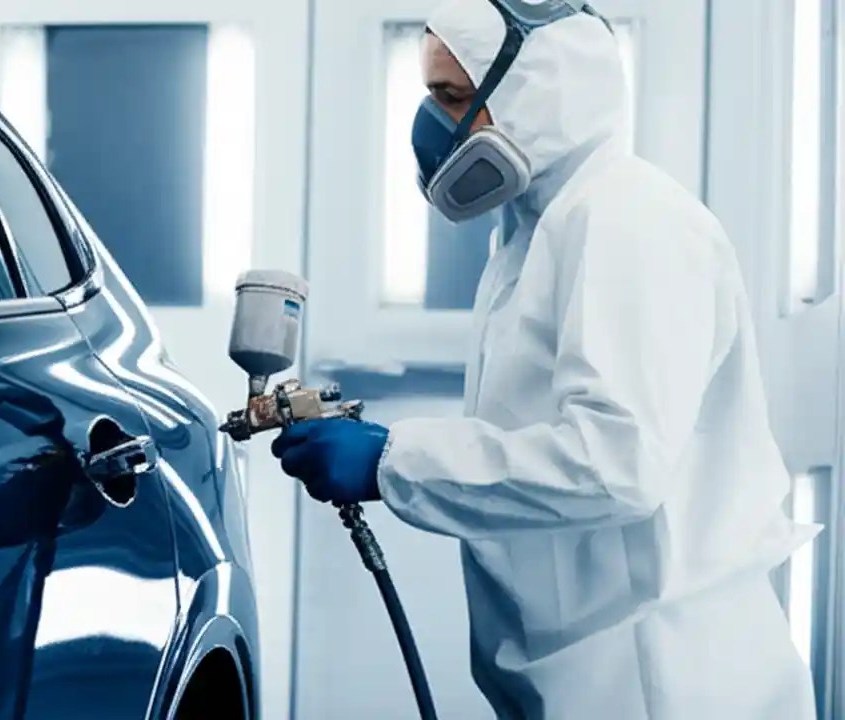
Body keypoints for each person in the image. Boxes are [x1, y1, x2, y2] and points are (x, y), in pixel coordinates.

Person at [272, 0, 819, 717]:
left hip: (659, 676)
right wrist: (391, 454)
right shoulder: (531, 236)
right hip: (588, 669)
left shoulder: (627, 219)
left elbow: (616, 463)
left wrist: (393, 461)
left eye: (452, 97)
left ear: (538, 93)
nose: (433, 124)